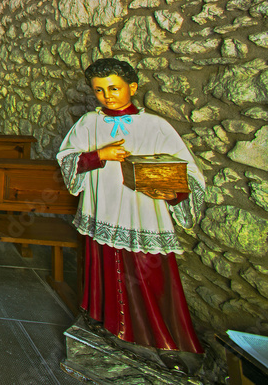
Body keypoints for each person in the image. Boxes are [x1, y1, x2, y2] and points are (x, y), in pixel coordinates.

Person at [57, 58, 206, 362]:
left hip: (142, 213)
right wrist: (101, 154)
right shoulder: (89, 123)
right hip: (102, 209)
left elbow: (188, 173)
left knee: (145, 273)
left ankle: (158, 338)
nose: (107, 95)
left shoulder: (156, 126)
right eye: (99, 90)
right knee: (104, 268)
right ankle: (107, 324)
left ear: (132, 87)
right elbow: (68, 159)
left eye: (114, 88)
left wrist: (173, 190)